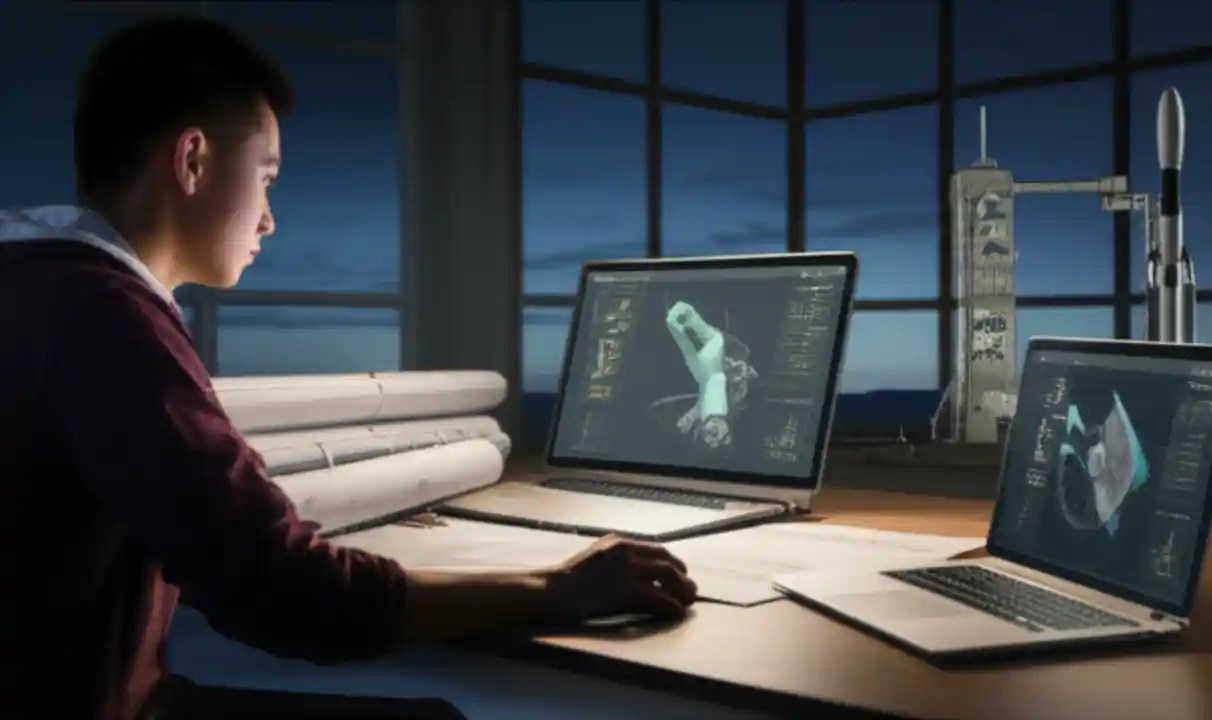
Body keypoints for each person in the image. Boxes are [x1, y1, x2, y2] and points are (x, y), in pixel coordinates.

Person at [0, 15, 696, 720]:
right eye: (267, 179)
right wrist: (559, 588)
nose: (268, 219)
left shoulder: (33, 279)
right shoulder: (107, 323)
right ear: (193, 161)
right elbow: (290, 595)